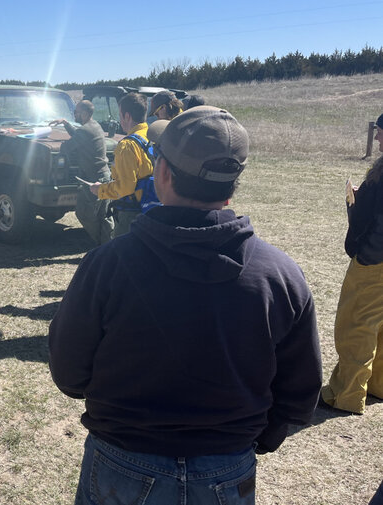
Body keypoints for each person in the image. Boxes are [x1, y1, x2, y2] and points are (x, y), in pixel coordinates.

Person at [49, 105, 322, 505]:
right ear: (233, 182)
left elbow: (69, 373)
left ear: (162, 172)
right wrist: (254, 436)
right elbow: (299, 395)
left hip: (121, 462)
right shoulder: (280, 274)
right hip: (228, 468)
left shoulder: (106, 265)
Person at [319, 113, 383, 414]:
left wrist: (367, 255)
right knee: (379, 326)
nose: (379, 138)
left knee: (356, 326)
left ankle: (347, 394)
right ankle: (377, 384)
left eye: (382, 133)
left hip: (374, 262)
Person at [89, 92, 152, 238]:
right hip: (154, 209)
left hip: (132, 214)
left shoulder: (127, 145)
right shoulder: (155, 135)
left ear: (127, 116)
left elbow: (125, 188)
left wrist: (100, 190)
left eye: (120, 114)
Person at [50, 100, 112, 245]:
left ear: (84, 113)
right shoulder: (95, 125)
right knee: (104, 215)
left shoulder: (85, 131)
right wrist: (65, 123)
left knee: (84, 213)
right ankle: (108, 244)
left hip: (94, 178)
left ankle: (101, 242)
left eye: (76, 112)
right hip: (103, 175)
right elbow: (79, 135)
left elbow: (67, 148)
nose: (74, 114)